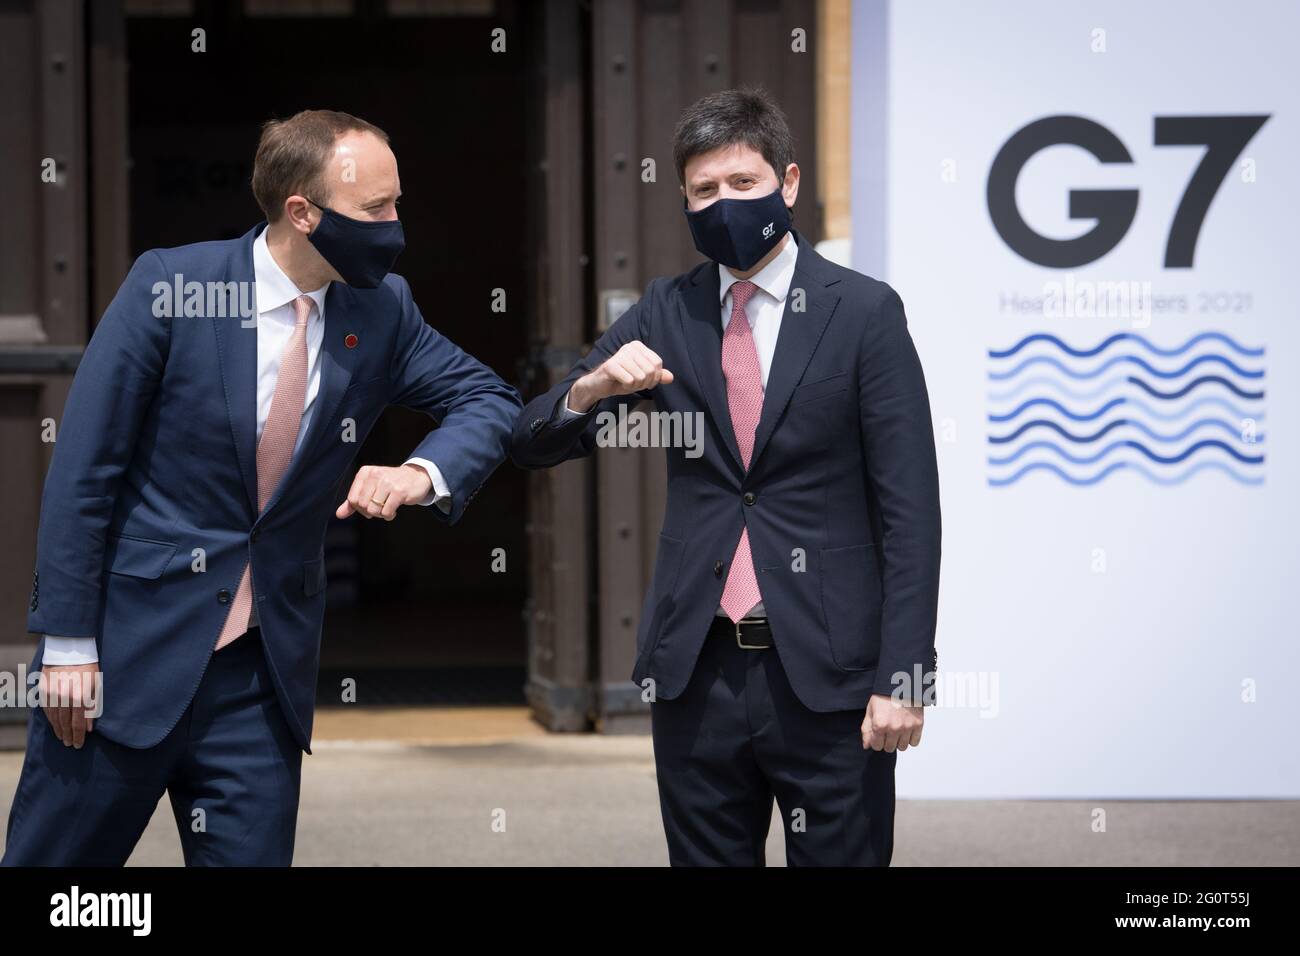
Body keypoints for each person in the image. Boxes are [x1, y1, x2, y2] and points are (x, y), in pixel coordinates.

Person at [2, 109, 521, 866]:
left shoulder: (382, 310)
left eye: (397, 201)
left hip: (258, 681)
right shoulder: (171, 286)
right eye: (376, 209)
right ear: (302, 213)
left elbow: (488, 398)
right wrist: (70, 644)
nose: (396, 225)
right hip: (121, 664)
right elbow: (84, 470)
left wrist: (421, 472)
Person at [511, 88, 941, 866]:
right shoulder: (665, 311)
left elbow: (911, 512)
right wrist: (592, 389)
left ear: (789, 182)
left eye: (742, 183)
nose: (723, 204)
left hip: (832, 679)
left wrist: (904, 676)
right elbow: (533, 441)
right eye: (703, 190)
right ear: (682, 199)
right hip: (697, 675)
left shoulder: (864, 313)